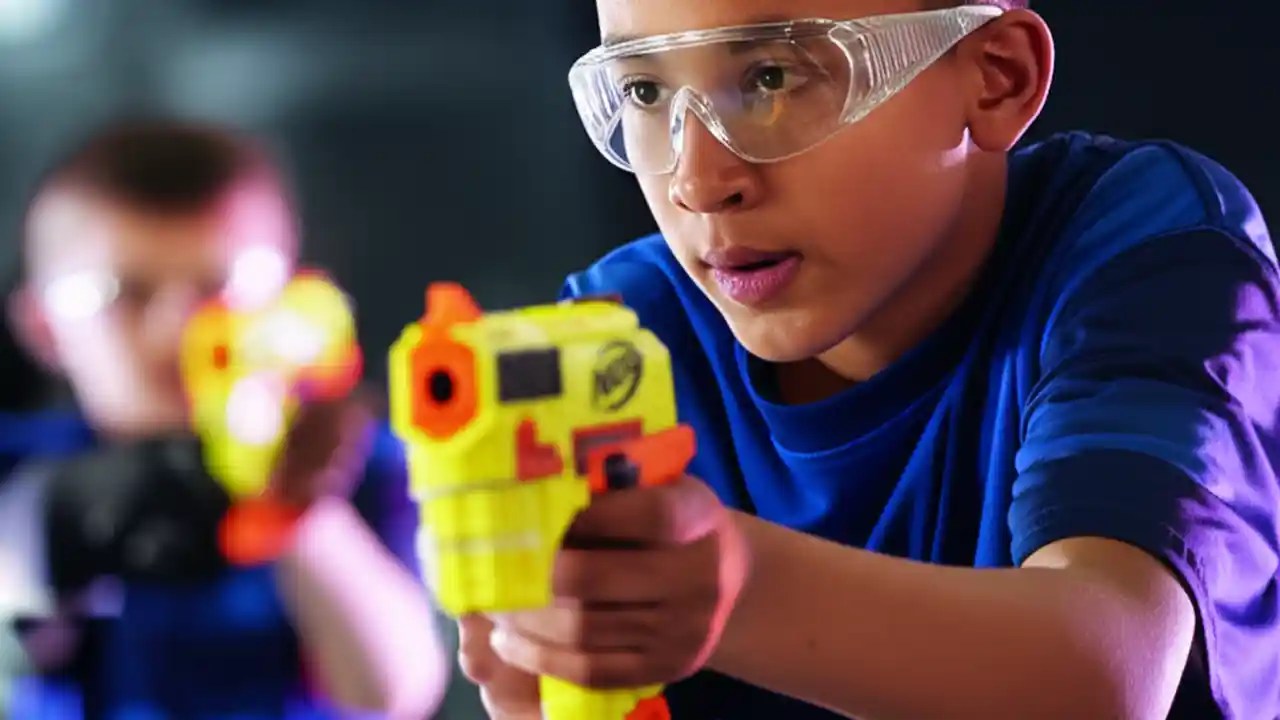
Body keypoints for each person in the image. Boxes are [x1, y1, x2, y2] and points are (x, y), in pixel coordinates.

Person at [458, 1, 1280, 718]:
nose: (699, 180)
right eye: (645, 90)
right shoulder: (620, 339)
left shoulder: (1142, 250)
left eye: (774, 77)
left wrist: (733, 587)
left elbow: (1105, 673)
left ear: (996, 76)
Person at [0, 120, 449, 719]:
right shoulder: (21, 471)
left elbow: (394, 694)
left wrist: (300, 509)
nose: (180, 331)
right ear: (42, 328)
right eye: (127, 294)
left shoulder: (359, 463)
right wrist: (46, 538)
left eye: (220, 288)